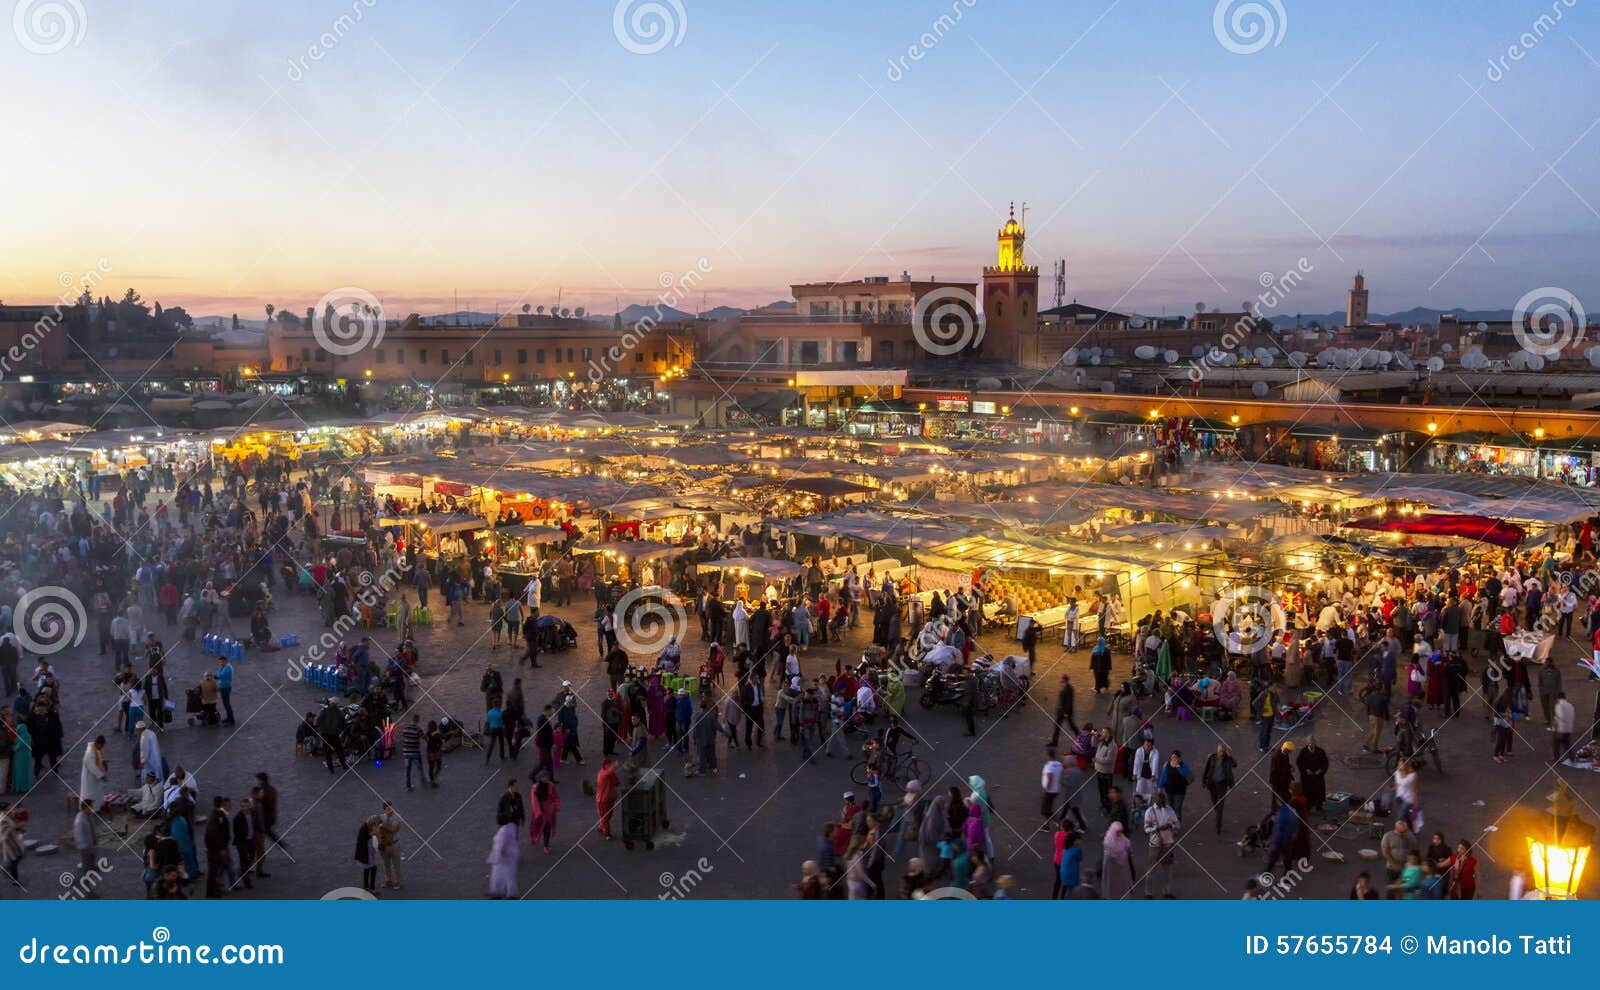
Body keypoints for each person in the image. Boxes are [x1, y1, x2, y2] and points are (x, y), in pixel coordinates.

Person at [1142, 791, 1179, 897]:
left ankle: (1167, 891)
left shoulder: (1169, 810)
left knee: (1168, 869)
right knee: (1151, 869)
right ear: (1155, 800)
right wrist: (1157, 828)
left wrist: (1173, 827)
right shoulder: (1149, 812)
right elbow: (1146, 829)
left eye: (1163, 799)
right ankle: (1148, 893)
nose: (1162, 801)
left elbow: (1177, 824)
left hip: (1168, 843)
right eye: (1160, 799)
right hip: (1155, 844)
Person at [1201, 743, 1236, 836]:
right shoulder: (1212, 758)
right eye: (1219, 751)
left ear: (1224, 752)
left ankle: (1218, 827)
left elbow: (1235, 765)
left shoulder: (1227, 759)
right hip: (1212, 785)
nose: (1220, 753)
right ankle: (1218, 814)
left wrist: (1230, 755)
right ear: (1217, 750)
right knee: (1214, 803)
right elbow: (1206, 769)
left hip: (1222, 785)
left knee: (1220, 806)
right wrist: (1203, 781)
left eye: (1222, 751)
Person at [1099, 821, 1135, 899]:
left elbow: (1128, 846)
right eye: (1118, 832)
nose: (1119, 833)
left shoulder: (1123, 839)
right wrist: (1123, 855)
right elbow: (1109, 855)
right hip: (1112, 868)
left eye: (1120, 831)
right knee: (1111, 884)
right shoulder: (1108, 841)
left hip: (1122, 869)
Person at [529, 777, 560, 854]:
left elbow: (555, 796)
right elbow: (534, 801)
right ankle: (534, 838)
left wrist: (556, 806)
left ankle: (545, 846)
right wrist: (538, 812)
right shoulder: (535, 788)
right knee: (535, 826)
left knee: (547, 828)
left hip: (548, 811)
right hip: (539, 811)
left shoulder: (550, 785)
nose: (547, 781)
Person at [78, 736, 108, 813]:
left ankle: (96, 807)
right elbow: (92, 766)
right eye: (102, 745)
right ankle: (89, 808)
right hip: (90, 778)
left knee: (96, 792)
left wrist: (103, 761)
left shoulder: (95, 750)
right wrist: (101, 776)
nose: (102, 747)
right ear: (98, 743)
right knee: (90, 793)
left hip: (94, 778)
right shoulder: (89, 753)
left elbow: (97, 760)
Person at [378, 802, 403, 890]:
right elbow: (374, 826)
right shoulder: (381, 817)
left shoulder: (397, 817)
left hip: (394, 844)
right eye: (388, 809)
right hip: (385, 845)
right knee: (386, 864)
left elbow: (393, 829)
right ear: (384, 810)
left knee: (396, 864)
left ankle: (397, 882)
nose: (391, 810)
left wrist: (382, 826)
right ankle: (388, 880)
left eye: (391, 808)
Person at [595, 758, 620, 839]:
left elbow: (616, 780)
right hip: (602, 799)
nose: (611, 765)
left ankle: (601, 826)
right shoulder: (602, 773)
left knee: (608, 815)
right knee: (605, 816)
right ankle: (607, 833)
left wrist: (617, 782)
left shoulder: (610, 773)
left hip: (610, 797)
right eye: (610, 764)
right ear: (605, 765)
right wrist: (614, 767)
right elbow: (608, 774)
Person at [355, 816, 379, 893]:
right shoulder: (365, 828)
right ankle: (371, 888)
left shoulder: (365, 827)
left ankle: (366, 887)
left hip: (367, 854)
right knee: (373, 869)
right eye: (373, 824)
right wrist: (374, 833)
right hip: (368, 854)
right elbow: (367, 839)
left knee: (367, 869)